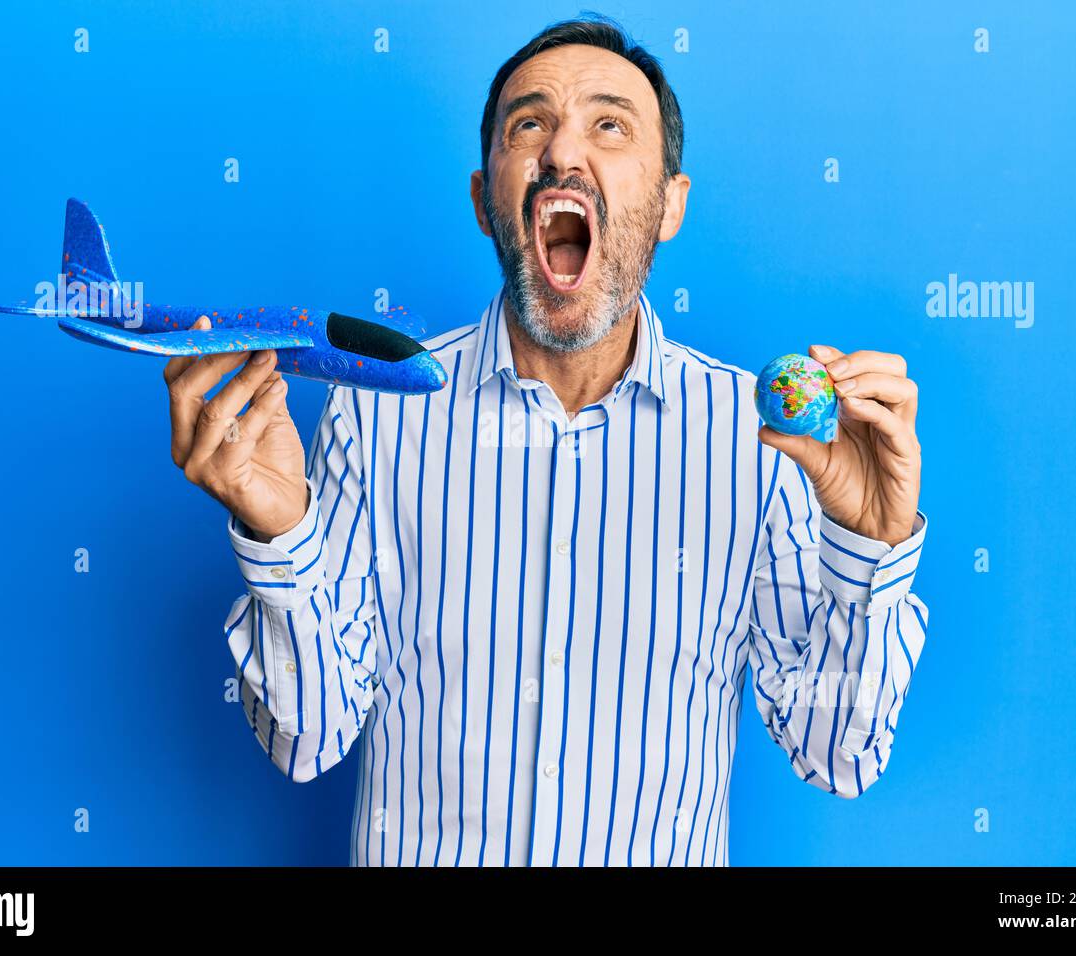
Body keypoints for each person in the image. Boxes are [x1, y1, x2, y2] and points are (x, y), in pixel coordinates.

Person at [162, 16, 929, 866]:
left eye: (609, 124)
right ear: (487, 200)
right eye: (529, 124)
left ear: (671, 204)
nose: (564, 152)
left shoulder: (757, 445)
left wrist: (870, 546)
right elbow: (305, 736)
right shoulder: (378, 412)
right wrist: (280, 537)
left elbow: (839, 754)